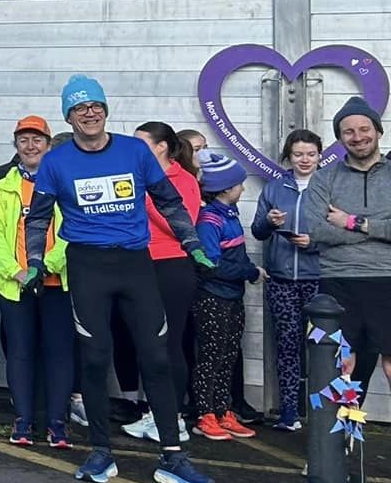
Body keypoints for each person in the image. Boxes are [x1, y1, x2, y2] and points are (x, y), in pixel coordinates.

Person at [24, 75, 214, 483]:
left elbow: (168, 201)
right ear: (69, 117)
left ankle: (173, 456)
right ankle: (100, 451)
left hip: (135, 265)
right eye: (79, 108)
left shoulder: (133, 151)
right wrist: (35, 262)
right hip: (88, 265)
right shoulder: (57, 162)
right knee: (93, 358)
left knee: (158, 358)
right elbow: (37, 218)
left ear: (105, 110)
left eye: (95, 105)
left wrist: (192, 243)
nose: (89, 113)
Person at [0, 115, 72, 446]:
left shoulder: (64, 184)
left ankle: (56, 423)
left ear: (49, 145)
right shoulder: (3, 187)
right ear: (16, 146)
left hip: (54, 281)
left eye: (37, 140)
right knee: (20, 352)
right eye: (24, 140)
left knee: (59, 353)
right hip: (15, 284)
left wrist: (45, 267)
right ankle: (23, 421)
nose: (30, 145)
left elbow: (70, 231)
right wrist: (17, 271)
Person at [303, 96, 391, 399]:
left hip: (387, 279)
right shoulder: (324, 178)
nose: (358, 137)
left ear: (378, 131)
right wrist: (380, 229)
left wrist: (352, 223)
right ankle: (343, 442)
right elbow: (315, 230)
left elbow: (333, 229)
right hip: (338, 283)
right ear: (340, 138)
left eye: (364, 129)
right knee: (344, 365)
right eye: (348, 132)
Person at [130, 121, 202, 444]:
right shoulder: (136, 178)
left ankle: (174, 418)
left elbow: (181, 225)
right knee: (147, 342)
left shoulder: (183, 180)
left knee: (170, 343)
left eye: (141, 143)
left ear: (161, 146)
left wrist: (146, 198)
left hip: (172, 265)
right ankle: (152, 413)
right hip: (141, 264)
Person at [249, 127, 322, 430]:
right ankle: (289, 411)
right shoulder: (274, 189)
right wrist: (268, 222)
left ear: (320, 155)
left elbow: (344, 233)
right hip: (281, 280)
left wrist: (314, 242)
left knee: (323, 347)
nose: (304, 160)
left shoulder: (329, 186)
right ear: (288, 157)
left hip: (319, 280)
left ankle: (321, 411)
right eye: (298, 154)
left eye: (310, 154)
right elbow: (257, 231)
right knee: (288, 345)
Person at [189, 150, 260, 440]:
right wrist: (249, 270)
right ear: (228, 188)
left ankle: (223, 409)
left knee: (228, 354)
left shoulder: (230, 214)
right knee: (210, 356)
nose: (243, 188)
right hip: (213, 297)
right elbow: (211, 264)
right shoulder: (209, 220)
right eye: (240, 184)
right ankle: (204, 413)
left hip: (232, 296)